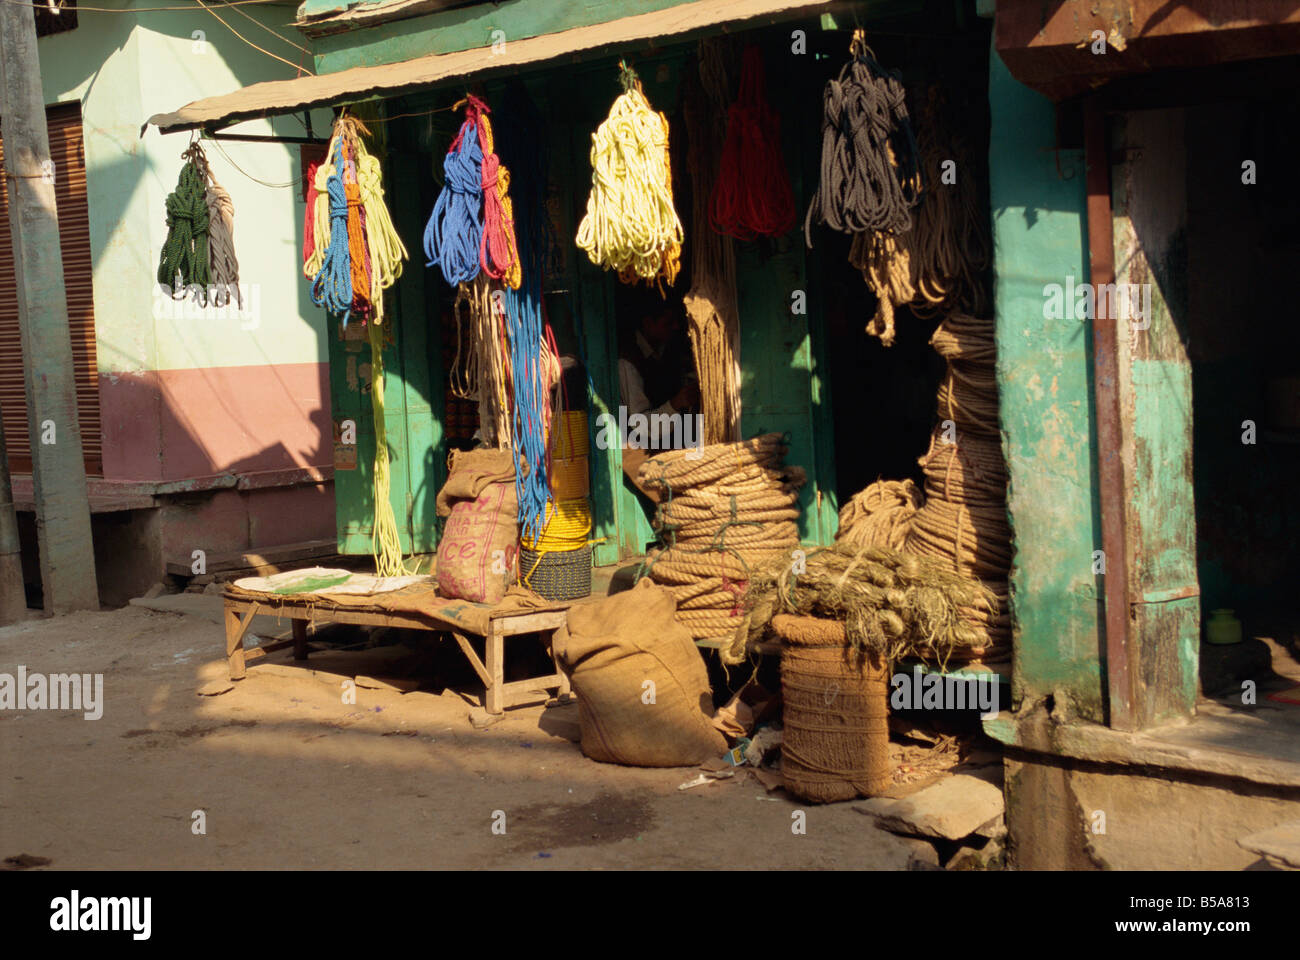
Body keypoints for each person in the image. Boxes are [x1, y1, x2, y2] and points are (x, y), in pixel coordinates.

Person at [618, 299, 698, 501]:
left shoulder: (668, 350)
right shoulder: (628, 363)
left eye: (676, 321)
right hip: (637, 447)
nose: (676, 327)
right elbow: (642, 426)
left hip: (667, 441)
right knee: (676, 502)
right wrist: (676, 403)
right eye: (667, 322)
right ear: (647, 323)